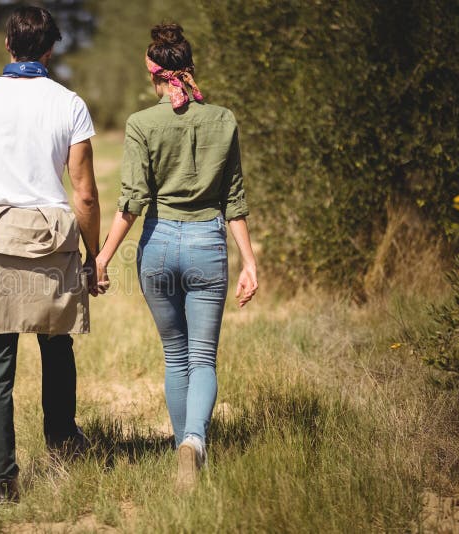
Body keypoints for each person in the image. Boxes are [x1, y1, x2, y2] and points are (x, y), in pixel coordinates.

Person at [0, 6, 100, 503]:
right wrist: (94, 255)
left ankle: (1, 480)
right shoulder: (69, 104)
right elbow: (85, 194)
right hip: (53, 240)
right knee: (57, 347)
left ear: (8, 44)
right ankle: (64, 447)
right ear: (50, 50)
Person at [94, 23, 259, 488]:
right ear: (189, 69)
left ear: (154, 76)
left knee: (175, 356)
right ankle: (194, 442)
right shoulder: (223, 120)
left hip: (159, 246)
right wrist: (249, 262)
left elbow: (132, 202)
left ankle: (181, 450)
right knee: (203, 358)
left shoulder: (141, 124)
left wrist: (103, 257)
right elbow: (234, 200)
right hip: (208, 243)